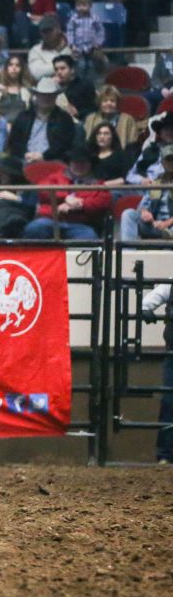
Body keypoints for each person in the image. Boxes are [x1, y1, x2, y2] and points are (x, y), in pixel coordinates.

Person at [21, 148, 111, 240]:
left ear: (90, 164)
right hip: (50, 219)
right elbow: (42, 190)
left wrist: (80, 205)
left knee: (89, 237)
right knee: (33, 229)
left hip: (80, 224)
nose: (79, 165)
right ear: (70, 163)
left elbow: (102, 202)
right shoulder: (55, 177)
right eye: (76, 162)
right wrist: (66, 197)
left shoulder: (98, 184)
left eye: (83, 162)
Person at [7, 76, 79, 163]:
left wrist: (44, 156)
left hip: (52, 163)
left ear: (55, 97)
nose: (46, 98)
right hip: (24, 161)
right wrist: (25, 154)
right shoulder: (23, 117)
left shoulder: (64, 119)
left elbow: (64, 146)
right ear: (37, 95)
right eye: (43, 95)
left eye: (50, 95)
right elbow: (14, 142)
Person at [140, 279, 173, 464]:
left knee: (169, 401)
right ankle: (165, 455)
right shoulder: (170, 283)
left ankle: (165, 455)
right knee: (169, 401)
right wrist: (145, 309)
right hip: (172, 354)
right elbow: (146, 302)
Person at [121, 145, 173, 240]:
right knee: (128, 214)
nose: (171, 163)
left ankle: (170, 236)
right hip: (155, 225)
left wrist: (166, 223)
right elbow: (142, 206)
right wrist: (144, 212)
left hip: (170, 225)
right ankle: (127, 248)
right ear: (162, 162)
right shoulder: (156, 183)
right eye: (168, 159)